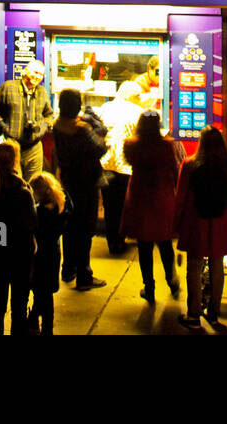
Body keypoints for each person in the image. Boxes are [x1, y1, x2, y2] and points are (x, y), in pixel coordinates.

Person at [172, 125, 227, 328]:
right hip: (221, 223)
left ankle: (193, 315)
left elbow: (180, 198)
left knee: (194, 266)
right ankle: (214, 312)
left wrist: (176, 225)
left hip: (196, 222)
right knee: (217, 266)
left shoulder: (190, 164)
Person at [0, 139, 37, 334]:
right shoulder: (23, 192)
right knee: (19, 307)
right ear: (15, 162)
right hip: (20, 257)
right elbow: (32, 225)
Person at [50, 88, 109, 290]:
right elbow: (100, 148)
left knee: (69, 227)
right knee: (85, 229)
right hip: (86, 184)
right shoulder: (81, 128)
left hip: (68, 181)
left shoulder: (57, 126)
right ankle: (84, 274)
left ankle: (68, 269)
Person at [122, 110, 181, 302]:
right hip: (162, 199)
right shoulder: (167, 146)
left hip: (140, 199)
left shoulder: (131, 144)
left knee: (144, 246)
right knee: (165, 243)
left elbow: (129, 161)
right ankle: (171, 280)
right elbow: (174, 170)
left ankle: (149, 287)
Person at [0, 60, 53, 181]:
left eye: (41, 74)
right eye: (35, 72)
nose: (37, 76)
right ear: (25, 71)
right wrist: (5, 128)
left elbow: (49, 115)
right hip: (11, 148)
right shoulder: (8, 87)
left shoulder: (42, 92)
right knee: (11, 183)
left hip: (34, 149)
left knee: (34, 184)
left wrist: (42, 128)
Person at [98, 81, 144, 255]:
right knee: (125, 204)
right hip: (126, 165)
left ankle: (112, 241)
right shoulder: (137, 112)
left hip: (106, 163)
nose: (139, 98)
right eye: (137, 95)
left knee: (110, 205)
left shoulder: (105, 107)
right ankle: (121, 238)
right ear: (131, 95)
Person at [28, 172, 68, 335]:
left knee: (39, 292)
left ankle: (36, 321)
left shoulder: (38, 214)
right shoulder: (61, 207)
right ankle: (45, 327)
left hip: (38, 258)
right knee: (47, 294)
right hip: (52, 256)